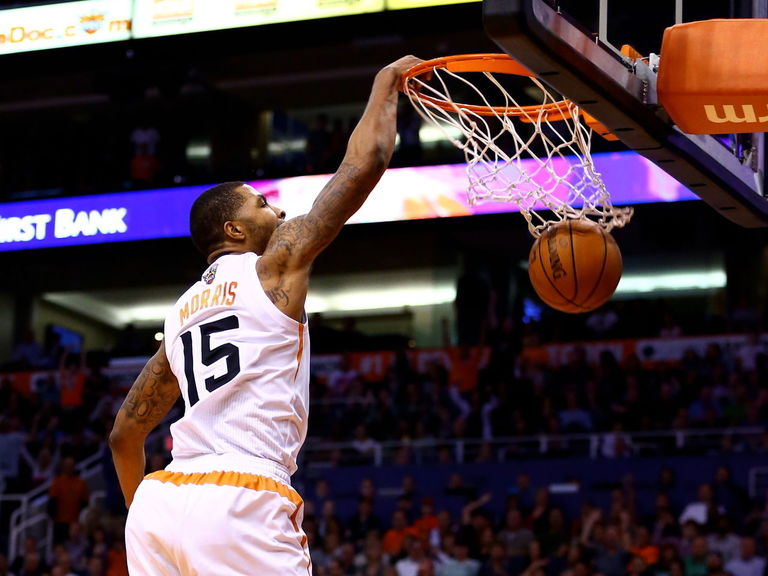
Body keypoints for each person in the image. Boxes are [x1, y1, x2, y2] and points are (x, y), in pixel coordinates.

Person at [108, 55, 424, 576]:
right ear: (234, 230)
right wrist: (383, 84)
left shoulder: (180, 315)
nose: (278, 212)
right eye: (261, 204)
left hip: (160, 502)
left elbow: (124, 433)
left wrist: (140, 513)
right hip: (242, 493)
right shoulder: (273, 267)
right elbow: (364, 164)